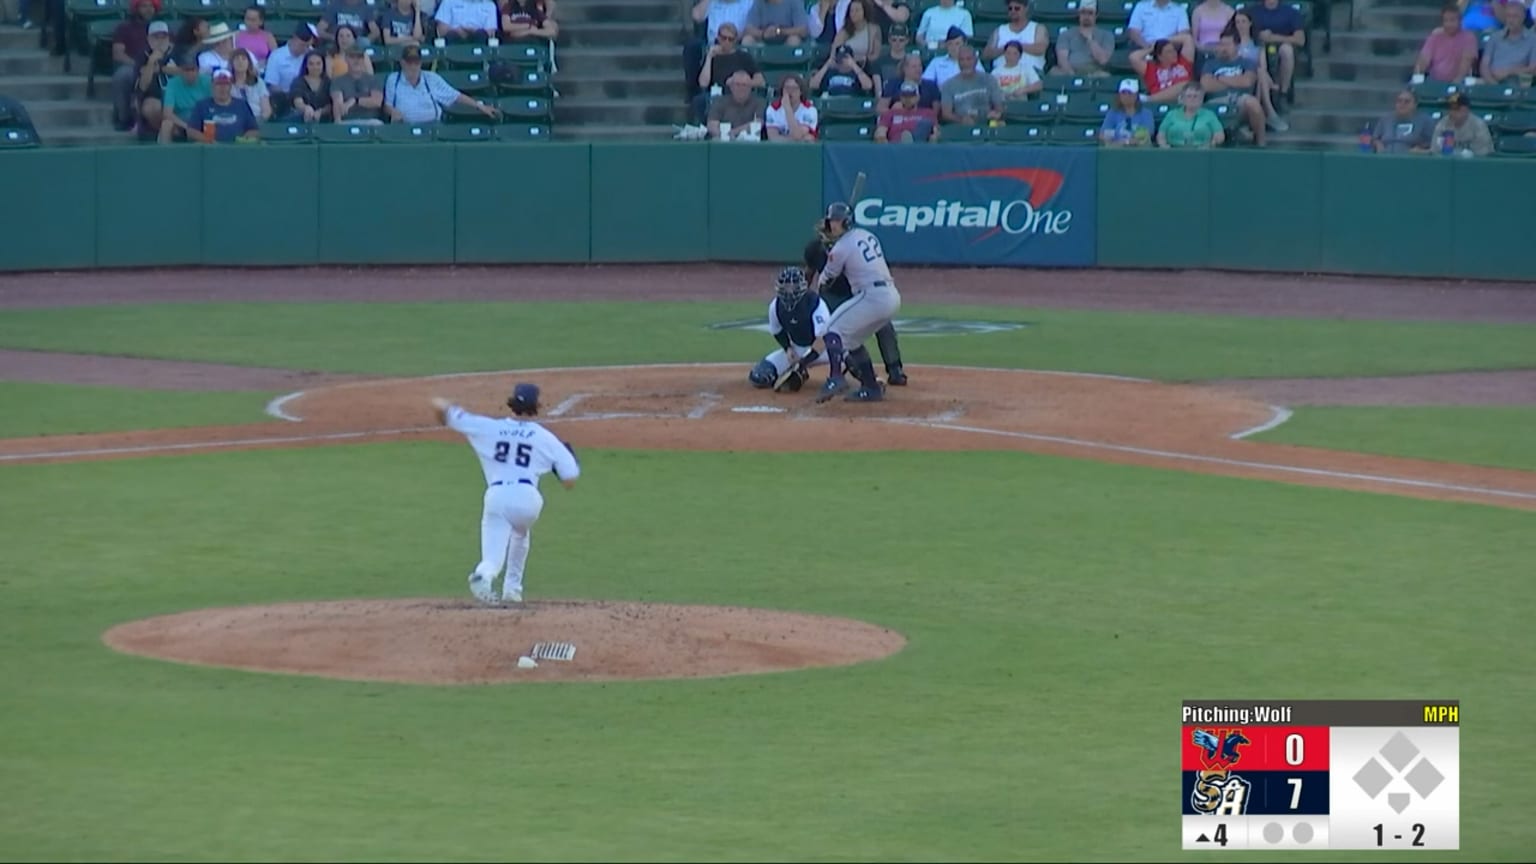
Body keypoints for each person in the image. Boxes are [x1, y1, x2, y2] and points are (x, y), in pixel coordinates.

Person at [430, 384, 580, 607]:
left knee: (492, 558)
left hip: (498, 496)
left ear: (512, 404)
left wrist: (440, 400)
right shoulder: (546, 438)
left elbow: (441, 407)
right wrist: (564, 459)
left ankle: (484, 574)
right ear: (536, 406)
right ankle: (513, 591)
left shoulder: (488, 428)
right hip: (529, 499)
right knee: (520, 532)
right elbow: (570, 480)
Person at [811, 202, 904, 403]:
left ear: (845, 222)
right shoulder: (867, 235)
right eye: (831, 221)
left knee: (831, 330)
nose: (832, 225)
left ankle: (836, 378)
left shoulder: (841, 247)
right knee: (852, 342)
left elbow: (826, 278)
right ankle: (871, 387)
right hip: (891, 296)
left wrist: (831, 251)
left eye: (836, 221)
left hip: (872, 296)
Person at [747, 266, 832, 392]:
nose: (789, 291)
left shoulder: (816, 303)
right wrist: (788, 348)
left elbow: (822, 340)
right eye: (786, 287)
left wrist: (802, 364)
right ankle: (802, 375)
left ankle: (838, 377)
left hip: (825, 350)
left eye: (793, 287)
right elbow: (777, 331)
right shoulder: (775, 306)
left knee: (851, 358)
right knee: (759, 376)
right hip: (798, 349)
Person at [186, 68, 260, 142]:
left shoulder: (242, 105)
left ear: (231, 86)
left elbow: (253, 129)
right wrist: (207, 140)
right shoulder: (201, 106)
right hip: (210, 150)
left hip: (237, 150)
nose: (222, 88)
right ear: (212, 86)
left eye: (226, 84)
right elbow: (191, 131)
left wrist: (243, 140)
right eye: (218, 84)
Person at [1157, 83, 1224, 146]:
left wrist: (1212, 144)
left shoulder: (1209, 115)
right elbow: (1161, 134)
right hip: (1173, 151)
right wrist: (1164, 146)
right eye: (1189, 96)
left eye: (1196, 96)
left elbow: (1219, 135)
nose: (1192, 99)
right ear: (1183, 99)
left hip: (1203, 152)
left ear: (1202, 99)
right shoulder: (1171, 114)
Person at [1100, 78, 1155, 145]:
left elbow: (1148, 133)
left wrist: (1129, 141)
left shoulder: (1146, 113)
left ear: (1136, 95)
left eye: (1130, 93)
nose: (1126, 96)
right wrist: (1122, 142)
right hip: (1117, 149)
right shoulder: (1113, 113)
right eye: (1123, 93)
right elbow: (1104, 133)